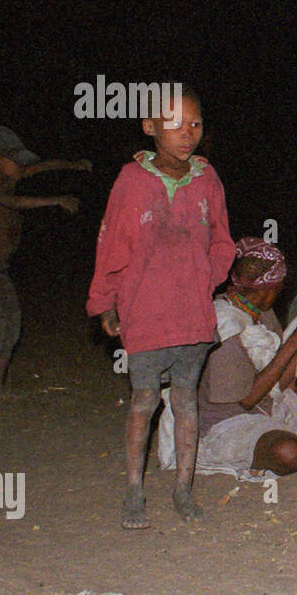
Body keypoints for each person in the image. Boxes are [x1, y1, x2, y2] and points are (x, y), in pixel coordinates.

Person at [86, 88, 234, 528]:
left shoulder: (208, 179)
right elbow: (111, 243)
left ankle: (183, 491)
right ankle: (134, 490)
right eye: (174, 123)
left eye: (195, 123)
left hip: (192, 314)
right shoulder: (131, 181)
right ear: (149, 128)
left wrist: (201, 280)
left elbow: (223, 241)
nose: (186, 133)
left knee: (186, 400)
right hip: (145, 312)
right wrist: (104, 302)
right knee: (144, 400)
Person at [0, 126, 88, 397]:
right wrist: (56, 200)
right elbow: (16, 203)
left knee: (10, 324)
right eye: (14, 160)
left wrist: (73, 164)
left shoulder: (7, 181)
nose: (21, 166)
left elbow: (41, 167)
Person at [190, 238, 297, 481]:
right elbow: (247, 400)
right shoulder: (224, 325)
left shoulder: (260, 312)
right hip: (224, 427)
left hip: (263, 410)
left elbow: (277, 383)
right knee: (290, 454)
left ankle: (271, 444)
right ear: (270, 288)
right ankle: (254, 454)